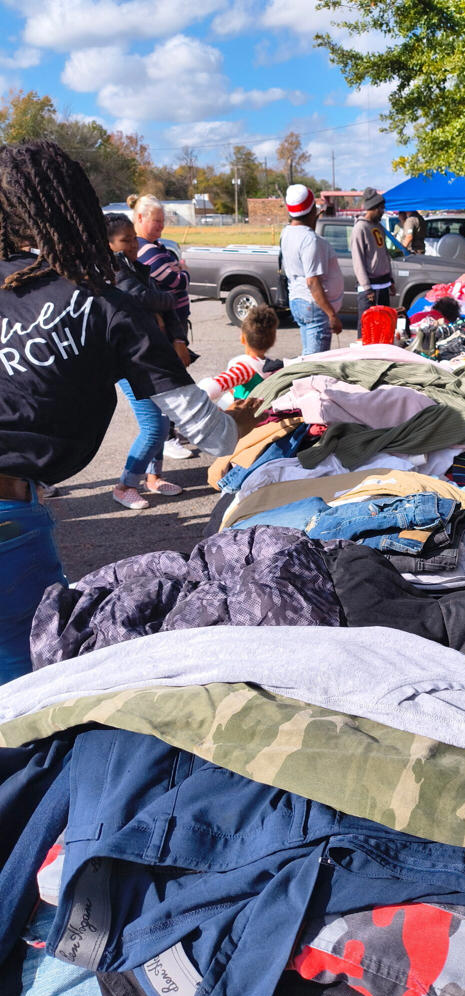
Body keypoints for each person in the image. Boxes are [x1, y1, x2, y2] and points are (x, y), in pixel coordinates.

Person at [0, 140, 260, 683]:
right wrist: (243, 420)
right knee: (30, 698)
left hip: (18, 515)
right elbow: (207, 433)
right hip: (10, 528)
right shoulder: (105, 302)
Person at [105, 213, 187, 510]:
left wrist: (179, 340)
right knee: (155, 426)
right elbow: (144, 299)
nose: (132, 247)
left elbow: (168, 309)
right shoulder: (111, 274)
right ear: (107, 244)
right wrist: (165, 297)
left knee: (163, 419)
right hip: (131, 363)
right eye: (125, 241)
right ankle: (125, 484)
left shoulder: (137, 267)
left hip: (154, 357)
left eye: (133, 240)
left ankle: (153, 478)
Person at [128, 193, 193, 460]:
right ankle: (166, 438)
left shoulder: (157, 247)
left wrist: (179, 272)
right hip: (164, 330)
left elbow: (174, 277)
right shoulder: (148, 250)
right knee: (168, 384)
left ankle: (170, 432)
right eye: (156, 221)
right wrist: (182, 272)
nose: (161, 226)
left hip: (174, 326)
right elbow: (175, 281)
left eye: (163, 221)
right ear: (140, 218)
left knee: (174, 381)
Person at [280, 184, 344, 356]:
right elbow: (312, 282)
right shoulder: (309, 239)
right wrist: (331, 315)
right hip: (313, 306)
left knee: (308, 356)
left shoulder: (286, 233)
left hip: (299, 301)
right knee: (314, 365)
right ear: (312, 211)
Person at [197, 304, 282, 404]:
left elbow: (215, 386)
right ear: (273, 341)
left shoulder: (244, 368)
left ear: (242, 338)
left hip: (243, 416)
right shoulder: (275, 368)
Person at [351, 187, 393, 335]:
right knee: (366, 327)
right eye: (381, 208)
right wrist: (367, 287)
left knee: (383, 326)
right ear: (373, 208)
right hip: (369, 289)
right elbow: (358, 261)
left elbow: (384, 254)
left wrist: (391, 280)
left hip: (383, 284)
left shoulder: (379, 227)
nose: (383, 211)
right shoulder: (360, 228)